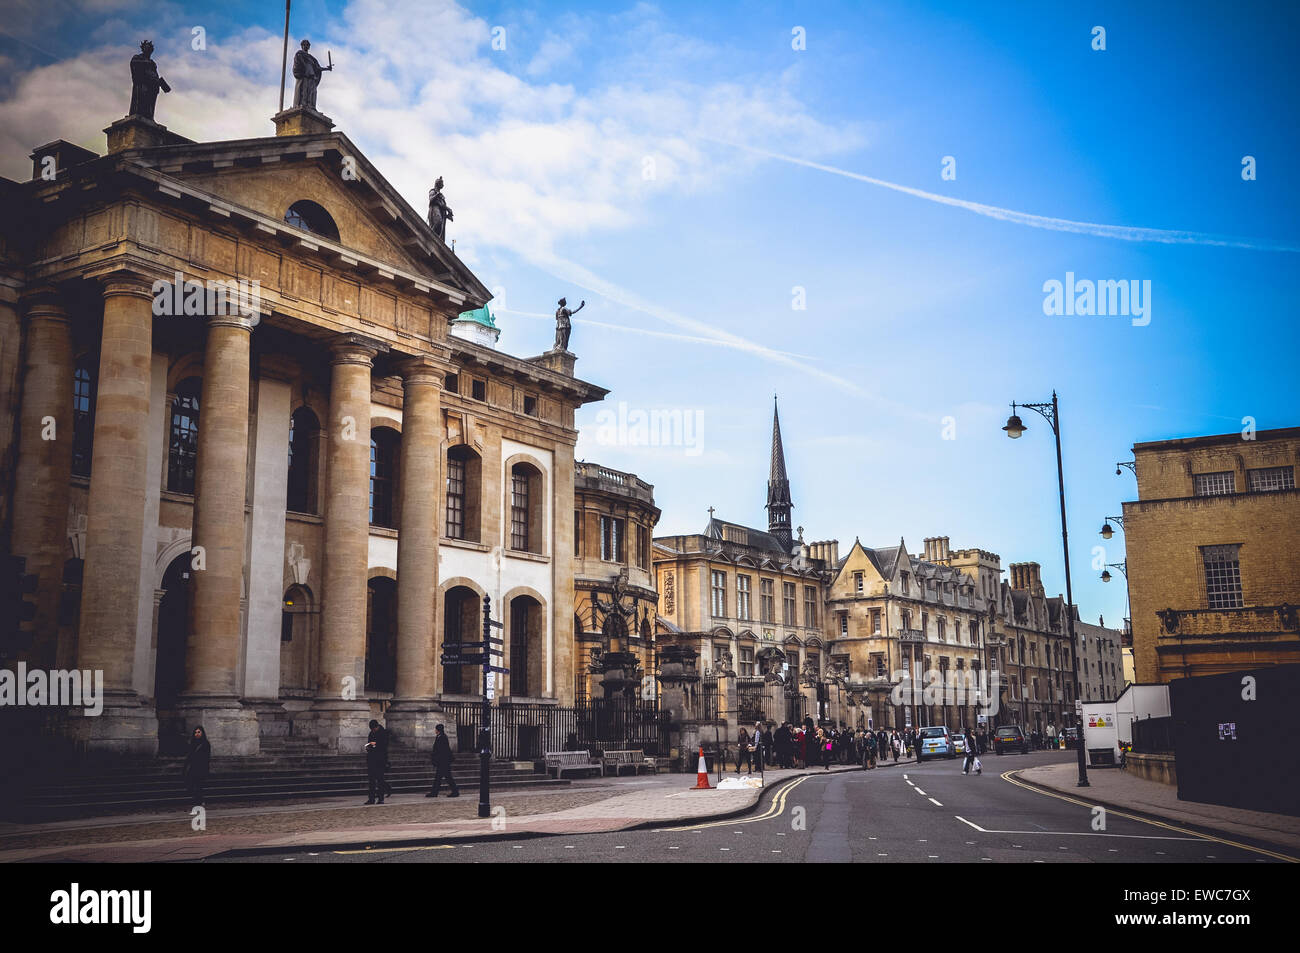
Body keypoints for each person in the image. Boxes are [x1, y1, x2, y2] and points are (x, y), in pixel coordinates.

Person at [426, 723, 460, 798]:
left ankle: (435, 792)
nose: (435, 730)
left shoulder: (442, 737)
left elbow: (442, 751)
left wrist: (437, 760)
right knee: (443, 778)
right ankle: (453, 791)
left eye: (435, 729)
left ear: (438, 730)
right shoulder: (440, 736)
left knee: (442, 778)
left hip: (443, 762)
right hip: (443, 762)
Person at [182, 725, 210, 807]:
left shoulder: (205, 744)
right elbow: (189, 756)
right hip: (192, 768)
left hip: (201, 768)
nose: (197, 734)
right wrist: (185, 767)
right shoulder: (193, 743)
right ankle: (198, 800)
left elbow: (206, 758)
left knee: (198, 785)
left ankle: (199, 801)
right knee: (190, 784)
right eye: (195, 732)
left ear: (202, 733)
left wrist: (205, 769)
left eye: (199, 732)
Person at [364, 719, 387, 804]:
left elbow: (383, 746)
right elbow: (369, 743)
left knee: (380, 780)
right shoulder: (371, 733)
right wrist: (369, 746)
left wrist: (375, 745)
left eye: (373, 729)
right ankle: (371, 798)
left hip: (380, 760)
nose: (373, 730)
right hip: (372, 759)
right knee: (371, 780)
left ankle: (381, 798)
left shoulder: (383, 733)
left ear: (376, 727)